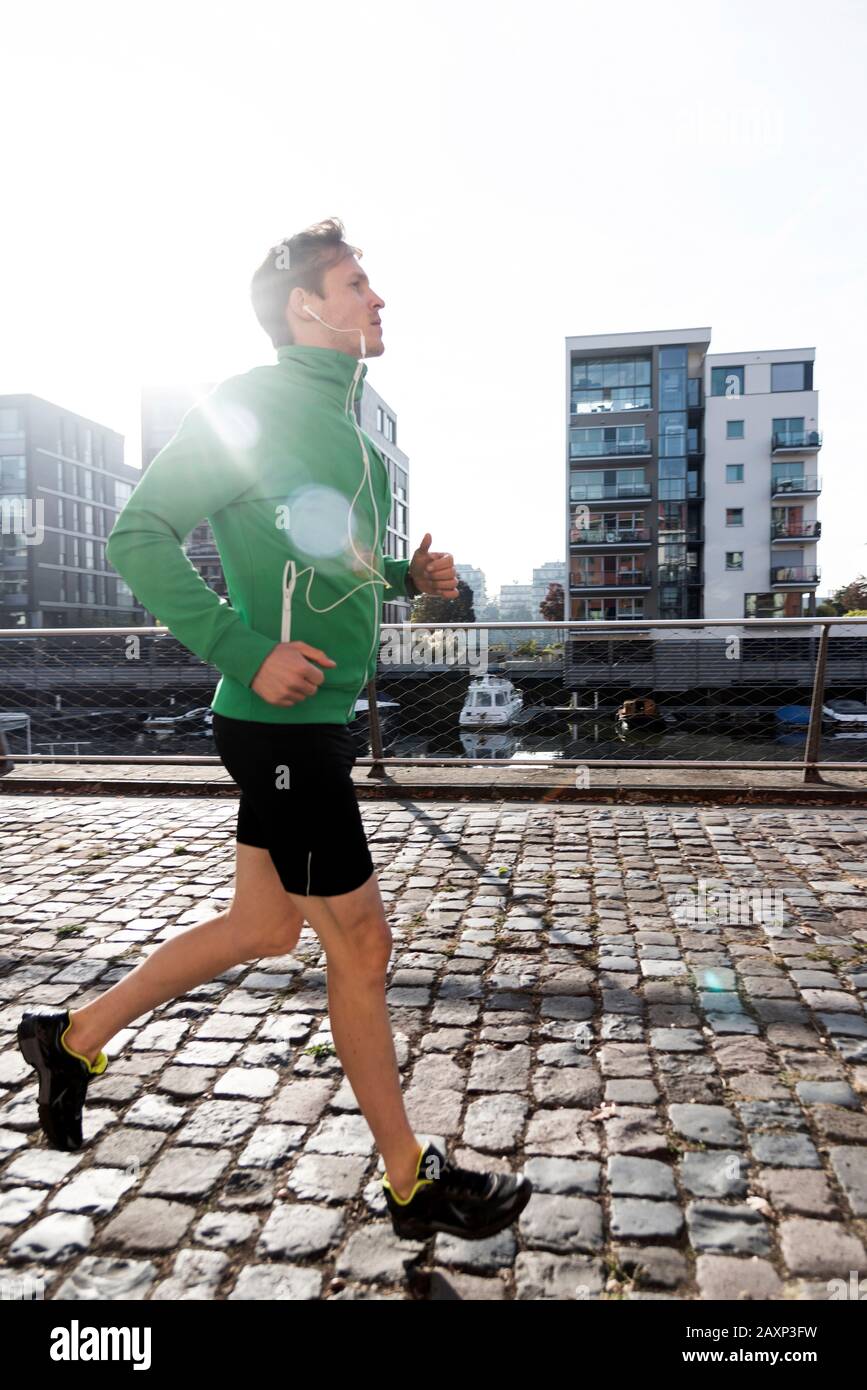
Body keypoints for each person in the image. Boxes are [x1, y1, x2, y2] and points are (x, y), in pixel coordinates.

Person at [17, 217, 532, 1242]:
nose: (376, 300)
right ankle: (407, 1176)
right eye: (355, 284)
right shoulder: (247, 405)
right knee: (364, 941)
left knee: (262, 928)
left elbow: (325, 560)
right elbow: (137, 534)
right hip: (279, 727)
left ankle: (70, 1039)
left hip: (315, 723)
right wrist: (243, 647)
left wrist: (406, 579)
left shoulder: (355, 433)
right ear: (305, 305)